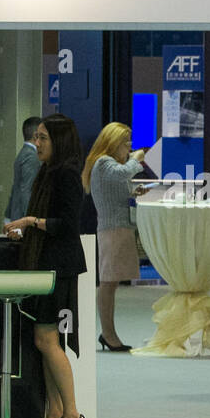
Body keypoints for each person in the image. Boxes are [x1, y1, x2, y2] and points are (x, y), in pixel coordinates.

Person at [3, 114, 88, 418]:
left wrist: (30, 220)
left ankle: (71, 413)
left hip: (59, 267)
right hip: (48, 264)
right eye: (36, 138)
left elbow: (67, 224)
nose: (36, 144)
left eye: (43, 138)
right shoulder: (50, 171)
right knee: (47, 342)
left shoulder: (65, 174)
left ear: (59, 141)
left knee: (48, 341)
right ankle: (55, 413)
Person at [83, 122, 146, 351]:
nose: (129, 147)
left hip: (118, 227)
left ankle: (109, 333)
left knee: (111, 281)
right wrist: (136, 159)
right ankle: (108, 334)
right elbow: (122, 173)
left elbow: (117, 186)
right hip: (113, 230)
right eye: (125, 142)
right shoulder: (104, 162)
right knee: (108, 282)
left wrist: (133, 191)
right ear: (113, 142)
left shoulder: (108, 164)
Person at [5, 116, 41, 223]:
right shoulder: (32, 157)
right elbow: (27, 190)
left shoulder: (22, 154)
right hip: (23, 217)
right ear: (36, 135)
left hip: (16, 214)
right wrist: (29, 219)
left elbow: (16, 188)